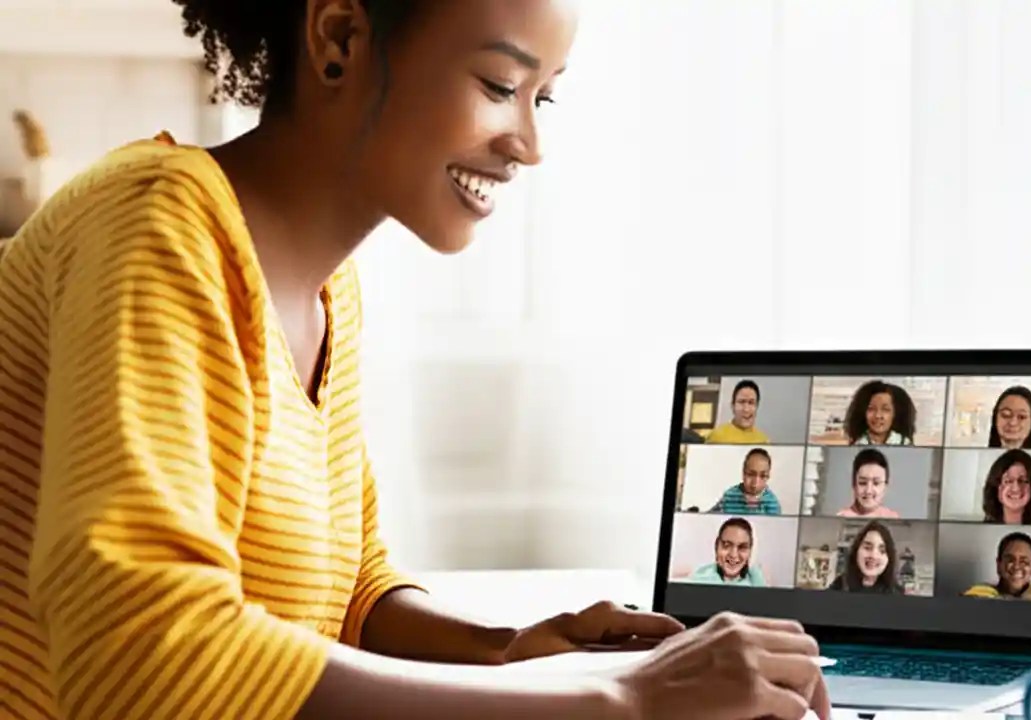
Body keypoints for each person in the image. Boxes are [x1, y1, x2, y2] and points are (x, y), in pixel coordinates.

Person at [0, 2, 830, 719]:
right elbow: (140, 653)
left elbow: (348, 594)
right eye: (501, 87)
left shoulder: (328, 291)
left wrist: (511, 649)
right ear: (337, 37)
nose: (531, 144)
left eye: (546, 96)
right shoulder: (156, 230)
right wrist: (626, 702)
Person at [963, 532, 1031, 602]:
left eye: (1024, 561)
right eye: (1010, 559)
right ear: (998, 564)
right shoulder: (975, 597)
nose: (1016, 566)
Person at [682, 518, 768, 586]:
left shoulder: (757, 581)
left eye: (742, 547)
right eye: (726, 545)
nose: (733, 555)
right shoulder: (698, 579)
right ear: (716, 547)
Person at [827, 521, 901, 594]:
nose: (873, 556)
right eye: (867, 548)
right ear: (856, 551)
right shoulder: (839, 586)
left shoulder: (898, 595)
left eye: (882, 551)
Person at [982, 449, 1031, 525]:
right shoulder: (980, 533)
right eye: (1008, 481)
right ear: (995, 487)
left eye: (1023, 481)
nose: (1016, 488)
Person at [709, 448, 783, 515]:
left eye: (763, 476)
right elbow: (712, 515)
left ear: (768, 476)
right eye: (751, 474)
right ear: (743, 473)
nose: (755, 482)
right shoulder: (730, 495)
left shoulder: (771, 503)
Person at [843, 380, 916, 445]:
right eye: (871, 409)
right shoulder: (858, 443)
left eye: (885, 409)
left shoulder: (905, 443)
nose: (878, 415)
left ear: (895, 413)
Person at [835, 448, 901, 518]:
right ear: (854, 484)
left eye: (876, 483)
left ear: (885, 487)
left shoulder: (893, 518)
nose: (868, 491)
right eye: (863, 483)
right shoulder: (841, 518)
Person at [706, 379, 771, 444]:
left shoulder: (763, 441)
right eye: (741, 402)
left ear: (757, 406)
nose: (746, 409)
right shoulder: (717, 437)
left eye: (751, 403)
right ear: (732, 406)